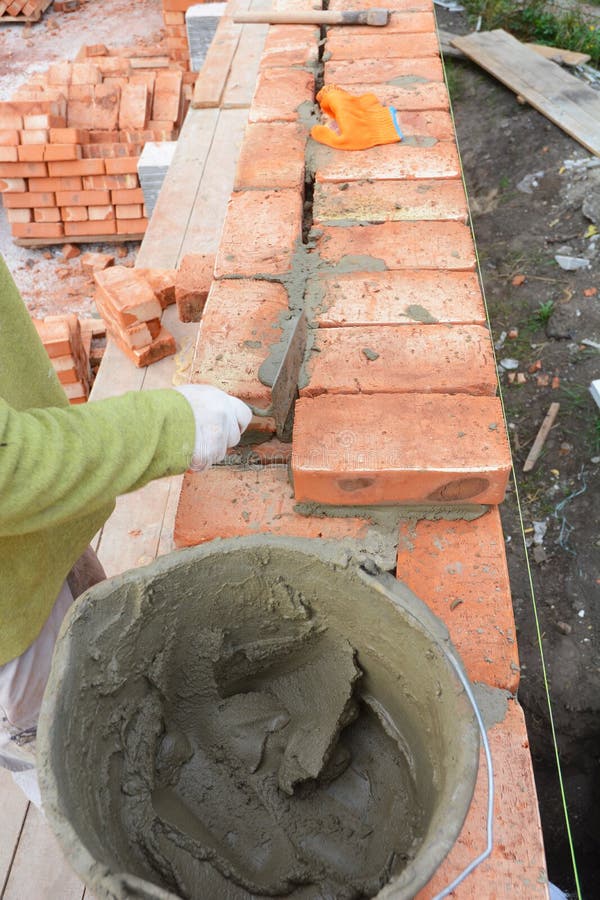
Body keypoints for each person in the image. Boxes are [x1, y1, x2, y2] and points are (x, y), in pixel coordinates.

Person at [0, 254, 252, 803]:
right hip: (8, 629)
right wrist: (171, 425)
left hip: (42, 530)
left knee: (124, 687)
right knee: (90, 785)